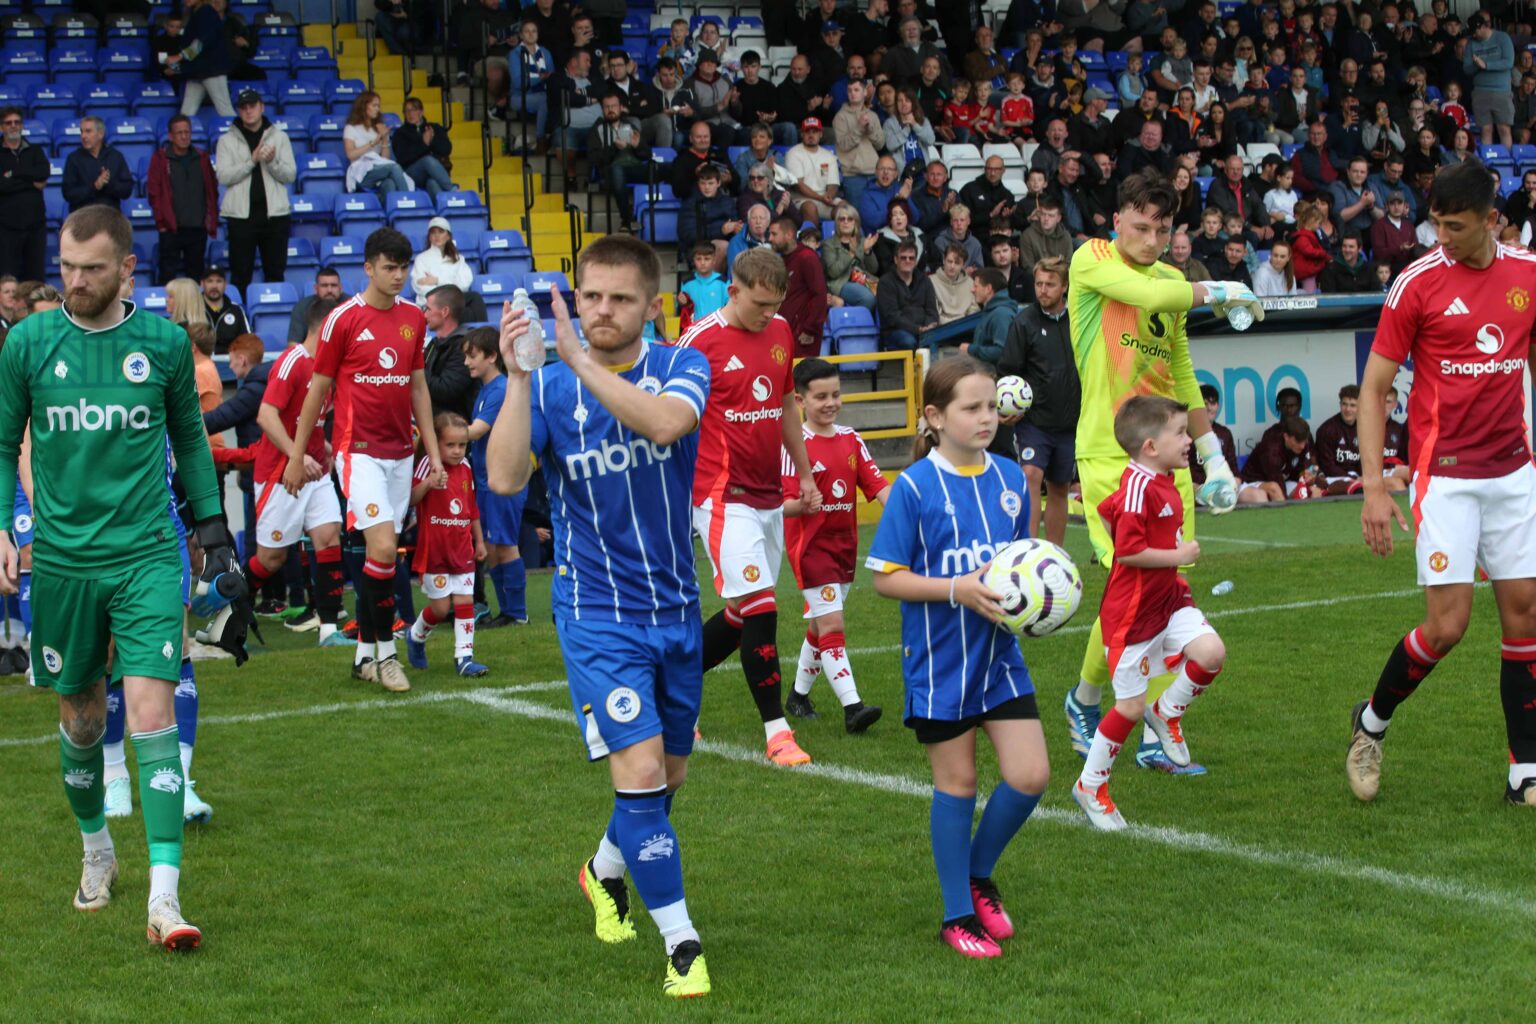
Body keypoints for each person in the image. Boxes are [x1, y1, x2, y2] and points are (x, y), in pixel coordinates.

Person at [0, 205, 235, 949]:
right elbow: (3, 442)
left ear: (127, 268)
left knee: (150, 713)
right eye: (65, 267)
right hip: (64, 564)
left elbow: (193, 445)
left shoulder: (163, 344)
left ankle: (165, 900)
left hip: (145, 555)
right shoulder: (28, 342)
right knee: (81, 719)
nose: (74, 282)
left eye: (91, 269)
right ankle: (96, 847)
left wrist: (213, 532)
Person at [485, 236, 714, 997]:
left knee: (665, 779)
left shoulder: (683, 365)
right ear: (575, 298)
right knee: (644, 770)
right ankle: (683, 946)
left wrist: (579, 361)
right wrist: (522, 381)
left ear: (653, 306)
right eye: (591, 297)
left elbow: (664, 427)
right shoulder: (550, 388)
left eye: (620, 299)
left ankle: (604, 868)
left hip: (677, 606)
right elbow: (506, 477)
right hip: (596, 612)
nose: (603, 311)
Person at [1348, 160, 1536, 808]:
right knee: (1448, 626)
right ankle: (1370, 722)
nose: (1443, 237)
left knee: (1526, 611)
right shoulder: (1416, 285)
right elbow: (1374, 390)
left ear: (1492, 220)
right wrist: (1376, 487)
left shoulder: (1528, 277)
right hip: (1447, 476)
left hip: (1513, 471)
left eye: (1456, 226)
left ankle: (1525, 772)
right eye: (1437, 223)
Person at [1063, 171, 1256, 774]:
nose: (1149, 239)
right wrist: (1220, 290)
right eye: (1139, 226)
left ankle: (1103, 705)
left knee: (1164, 592)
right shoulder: (1091, 260)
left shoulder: (1173, 279)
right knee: (1132, 581)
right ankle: (1118, 712)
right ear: (1116, 220)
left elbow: (1178, 371)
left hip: (1167, 461)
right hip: (1107, 458)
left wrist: (1215, 457)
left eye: (1162, 229)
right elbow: (1149, 298)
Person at [865, 355, 1047, 958]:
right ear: (935, 418)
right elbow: (885, 579)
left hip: (999, 656)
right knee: (959, 782)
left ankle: (976, 872)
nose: (986, 417)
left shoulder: (1009, 479)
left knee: (1029, 776)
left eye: (992, 406)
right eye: (971, 408)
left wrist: (1037, 602)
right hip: (941, 662)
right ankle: (956, 914)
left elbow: (1018, 565)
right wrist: (955, 588)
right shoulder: (914, 487)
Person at [677, 248, 822, 766]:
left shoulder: (781, 331)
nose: (768, 314)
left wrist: (803, 474)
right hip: (720, 494)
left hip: (767, 494)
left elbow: (785, 405)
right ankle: (777, 733)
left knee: (741, 610)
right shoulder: (698, 343)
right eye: (759, 304)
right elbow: (673, 417)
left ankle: (673, 692)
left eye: (775, 304)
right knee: (761, 602)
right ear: (733, 290)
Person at [283, 228, 439, 694]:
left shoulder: (414, 316)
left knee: (382, 557)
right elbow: (317, 391)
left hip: (399, 453)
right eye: (389, 267)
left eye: (403, 268)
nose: (398, 276)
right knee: (386, 549)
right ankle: (387, 655)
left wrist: (431, 449)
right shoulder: (343, 320)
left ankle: (361, 656)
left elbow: (417, 388)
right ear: (368, 268)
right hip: (358, 453)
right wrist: (297, 454)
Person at [1073, 395, 1228, 830]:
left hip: (1169, 599)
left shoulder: (1157, 478)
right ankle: (1091, 785)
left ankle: (1166, 714)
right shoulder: (1141, 486)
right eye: (1180, 433)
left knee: (1211, 653)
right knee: (1127, 706)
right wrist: (1178, 552)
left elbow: (1107, 511)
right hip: (1132, 614)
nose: (1188, 439)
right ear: (1150, 447)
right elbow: (1129, 551)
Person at [782, 357, 890, 729]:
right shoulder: (796, 445)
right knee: (831, 625)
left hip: (845, 547)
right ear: (800, 400)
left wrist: (909, 515)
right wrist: (801, 504)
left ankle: (797, 696)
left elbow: (877, 487)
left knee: (818, 626)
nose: (830, 403)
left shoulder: (850, 439)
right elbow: (780, 502)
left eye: (836, 395)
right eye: (820, 396)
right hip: (811, 548)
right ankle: (853, 707)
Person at [242, 299, 351, 647]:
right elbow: (266, 416)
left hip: (314, 470)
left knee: (329, 537)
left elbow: (312, 419)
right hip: (281, 472)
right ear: (324, 326)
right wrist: (296, 455)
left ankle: (330, 630)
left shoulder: (328, 367)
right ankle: (231, 609)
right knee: (270, 559)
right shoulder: (293, 362)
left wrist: (324, 448)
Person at [995, 256, 1077, 544]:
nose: (1042, 290)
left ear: (1065, 286)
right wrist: (1007, 406)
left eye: (1050, 284)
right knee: (1030, 475)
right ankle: (1029, 550)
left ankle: (1054, 553)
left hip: (1070, 421)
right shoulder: (1024, 322)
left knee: (1059, 487)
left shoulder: (1078, 319)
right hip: (1034, 421)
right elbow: (1007, 371)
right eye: (1039, 284)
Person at [403, 412, 488, 675]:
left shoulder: (466, 468)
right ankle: (416, 636)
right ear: (435, 443)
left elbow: (470, 508)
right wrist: (429, 484)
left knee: (465, 601)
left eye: (462, 445)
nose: (457, 450)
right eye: (450, 445)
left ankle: (464, 658)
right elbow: (410, 499)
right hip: (435, 551)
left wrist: (480, 541)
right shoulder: (428, 465)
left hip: (462, 548)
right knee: (440, 608)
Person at [460, 327, 526, 629]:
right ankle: (507, 611)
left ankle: (517, 612)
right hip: (487, 479)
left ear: (491, 356)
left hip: (502, 478)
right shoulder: (488, 390)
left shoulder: (499, 389)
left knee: (505, 544)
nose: (466, 362)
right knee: (493, 544)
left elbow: (476, 431)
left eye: (472, 356)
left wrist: (436, 434)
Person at [216, 90, 296, 300]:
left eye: (252, 106)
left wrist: (272, 161)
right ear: (238, 111)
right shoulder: (226, 140)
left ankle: (276, 322)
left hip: (275, 216)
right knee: (240, 275)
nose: (248, 111)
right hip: (241, 217)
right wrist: (251, 161)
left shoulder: (280, 137)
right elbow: (223, 176)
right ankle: (240, 324)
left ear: (262, 107)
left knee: (275, 272)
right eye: (244, 107)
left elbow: (289, 175)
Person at [147, 115, 219, 284]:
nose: (184, 136)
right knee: (168, 276)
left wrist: (209, 220)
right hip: (171, 229)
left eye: (187, 132)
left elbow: (212, 189)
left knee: (195, 277)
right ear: (170, 136)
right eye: (179, 133)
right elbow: (154, 193)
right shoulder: (160, 159)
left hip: (197, 228)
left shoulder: (202, 158)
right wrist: (161, 223)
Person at [767, 216, 829, 360]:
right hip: (785, 332)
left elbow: (819, 295)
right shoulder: (782, 261)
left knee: (802, 379)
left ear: (789, 235)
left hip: (803, 336)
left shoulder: (807, 258)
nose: (770, 238)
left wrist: (809, 330)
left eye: (774, 234)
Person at [0, 107, 48, 282]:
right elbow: (2, 185)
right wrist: (30, 181)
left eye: (17, 122)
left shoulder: (35, 150)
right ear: (1, 127)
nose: (13, 126)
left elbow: (43, 173)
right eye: (8, 123)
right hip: (6, 229)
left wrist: (13, 174)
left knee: (35, 281)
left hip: (35, 227)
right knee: (8, 280)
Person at [589, 94, 650, 231]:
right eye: (607, 107)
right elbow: (594, 159)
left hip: (635, 169)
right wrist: (614, 149)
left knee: (666, 168)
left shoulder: (631, 125)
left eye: (614, 106)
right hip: (612, 171)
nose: (610, 109)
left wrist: (637, 146)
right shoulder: (597, 130)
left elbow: (647, 154)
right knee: (617, 170)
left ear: (621, 108)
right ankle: (627, 219)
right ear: (602, 109)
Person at [170, 0, 235, 117]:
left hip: (212, 69)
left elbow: (202, 42)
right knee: (186, 114)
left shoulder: (206, 12)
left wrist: (179, 56)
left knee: (226, 112)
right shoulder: (196, 13)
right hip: (198, 71)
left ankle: (240, 135)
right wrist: (178, 67)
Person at [344, 91, 413, 197]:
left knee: (389, 184)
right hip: (360, 173)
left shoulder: (377, 127)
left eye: (378, 106)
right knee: (394, 167)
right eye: (374, 105)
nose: (377, 109)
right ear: (363, 106)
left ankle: (394, 210)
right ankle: (409, 200)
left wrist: (384, 137)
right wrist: (372, 143)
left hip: (378, 169)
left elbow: (384, 159)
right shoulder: (351, 128)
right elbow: (350, 154)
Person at [422, 284, 475, 420]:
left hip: (456, 429)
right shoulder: (434, 344)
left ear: (445, 311)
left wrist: (415, 371)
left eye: (428, 309)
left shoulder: (464, 346)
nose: (424, 314)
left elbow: (445, 390)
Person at [1237, 414, 1317, 502]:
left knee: (1311, 490)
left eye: (1304, 441)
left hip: (1283, 481)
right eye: (1298, 441)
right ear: (1286, 437)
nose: (1302, 446)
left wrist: (1307, 477)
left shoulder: (1302, 446)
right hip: (1253, 482)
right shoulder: (1271, 450)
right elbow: (1278, 487)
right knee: (1274, 489)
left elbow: (1300, 472)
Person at [62, 116, 135, 213]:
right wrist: (95, 186)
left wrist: (108, 184)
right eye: (81, 131)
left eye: (88, 131)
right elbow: (68, 194)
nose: (83, 136)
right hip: (83, 219)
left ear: (100, 134)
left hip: (109, 218)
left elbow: (127, 190)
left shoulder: (115, 156)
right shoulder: (74, 159)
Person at [1464, 14, 1515, 148]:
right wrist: (1477, 65)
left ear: (1483, 26)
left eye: (1475, 31)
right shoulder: (1471, 43)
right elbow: (1467, 69)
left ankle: (1507, 163)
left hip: (1502, 91)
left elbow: (1509, 62)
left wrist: (1486, 65)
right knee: (1485, 130)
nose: (1473, 35)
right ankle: (1488, 162)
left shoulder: (1502, 38)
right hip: (1480, 92)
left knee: (1504, 129)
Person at [876, 240, 938, 350]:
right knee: (908, 341)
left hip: (923, 329)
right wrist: (917, 329)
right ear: (896, 260)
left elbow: (932, 310)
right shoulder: (885, 282)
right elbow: (892, 317)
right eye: (903, 258)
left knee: (940, 337)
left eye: (911, 258)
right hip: (895, 331)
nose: (907, 261)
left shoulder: (925, 280)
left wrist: (929, 326)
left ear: (915, 261)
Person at [393, 97, 455, 198]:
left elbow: (446, 149)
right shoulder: (400, 134)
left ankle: (445, 209)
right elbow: (403, 158)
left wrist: (432, 141)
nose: (410, 114)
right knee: (427, 160)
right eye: (407, 111)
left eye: (414, 110)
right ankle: (452, 191)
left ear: (421, 112)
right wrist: (424, 144)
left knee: (432, 183)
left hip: (435, 174)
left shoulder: (434, 128)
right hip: (412, 173)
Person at [821, 204, 878, 312]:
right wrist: (851, 254)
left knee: (887, 292)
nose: (845, 222)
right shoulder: (828, 244)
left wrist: (867, 251)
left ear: (855, 222)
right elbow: (833, 272)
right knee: (868, 298)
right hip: (841, 282)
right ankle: (851, 316)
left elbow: (873, 269)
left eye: (850, 219)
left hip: (864, 280)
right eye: (842, 219)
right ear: (837, 223)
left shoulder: (862, 241)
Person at [786, 117, 842, 223]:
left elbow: (833, 184)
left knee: (845, 208)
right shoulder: (793, 153)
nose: (811, 135)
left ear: (820, 134)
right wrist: (821, 198)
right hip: (801, 199)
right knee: (810, 207)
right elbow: (799, 185)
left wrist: (829, 195)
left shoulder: (829, 155)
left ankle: (840, 239)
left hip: (823, 199)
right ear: (801, 134)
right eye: (807, 131)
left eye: (815, 131)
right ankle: (812, 238)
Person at [1188, 383, 1238, 499]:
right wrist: (1207, 486)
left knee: (1256, 495)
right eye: (1205, 404)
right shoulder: (1186, 432)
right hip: (1197, 485)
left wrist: (1234, 486)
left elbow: (1234, 470)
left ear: (1218, 406)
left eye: (1213, 403)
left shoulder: (1224, 433)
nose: (1209, 408)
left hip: (1222, 484)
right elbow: (1185, 469)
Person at [962, 268, 1019, 367]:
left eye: (976, 286)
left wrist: (970, 349)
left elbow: (1002, 352)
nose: (972, 290)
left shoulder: (1001, 314)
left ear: (988, 289)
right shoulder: (992, 312)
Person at [411, 217, 474, 298]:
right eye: (433, 232)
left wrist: (437, 281)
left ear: (448, 236)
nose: (437, 236)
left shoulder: (458, 259)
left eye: (441, 232)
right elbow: (420, 287)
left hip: (454, 303)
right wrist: (451, 283)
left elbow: (464, 284)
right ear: (429, 237)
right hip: (430, 306)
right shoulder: (421, 259)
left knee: (474, 298)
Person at [286, 267, 347, 346]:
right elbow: (293, 344)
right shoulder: (302, 307)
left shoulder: (352, 306)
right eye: (324, 286)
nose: (329, 290)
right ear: (316, 289)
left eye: (334, 285)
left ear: (341, 288)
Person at [679, 244, 729, 332]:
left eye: (707, 259)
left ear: (714, 260)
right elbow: (683, 310)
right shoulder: (687, 283)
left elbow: (729, 307)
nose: (702, 262)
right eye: (698, 259)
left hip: (718, 329)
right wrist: (681, 303)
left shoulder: (723, 282)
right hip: (695, 330)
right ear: (693, 261)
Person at [200, 266, 250, 354]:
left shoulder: (236, 310)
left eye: (219, 281)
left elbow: (246, 342)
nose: (214, 286)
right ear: (202, 284)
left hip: (230, 363)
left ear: (225, 284)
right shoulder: (193, 309)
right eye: (210, 281)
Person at [931, 244, 979, 324]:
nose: (952, 266)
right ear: (943, 260)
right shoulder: (931, 281)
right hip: (941, 330)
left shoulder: (970, 282)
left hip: (966, 327)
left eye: (957, 263)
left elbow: (974, 309)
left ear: (963, 265)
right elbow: (934, 313)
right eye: (949, 261)